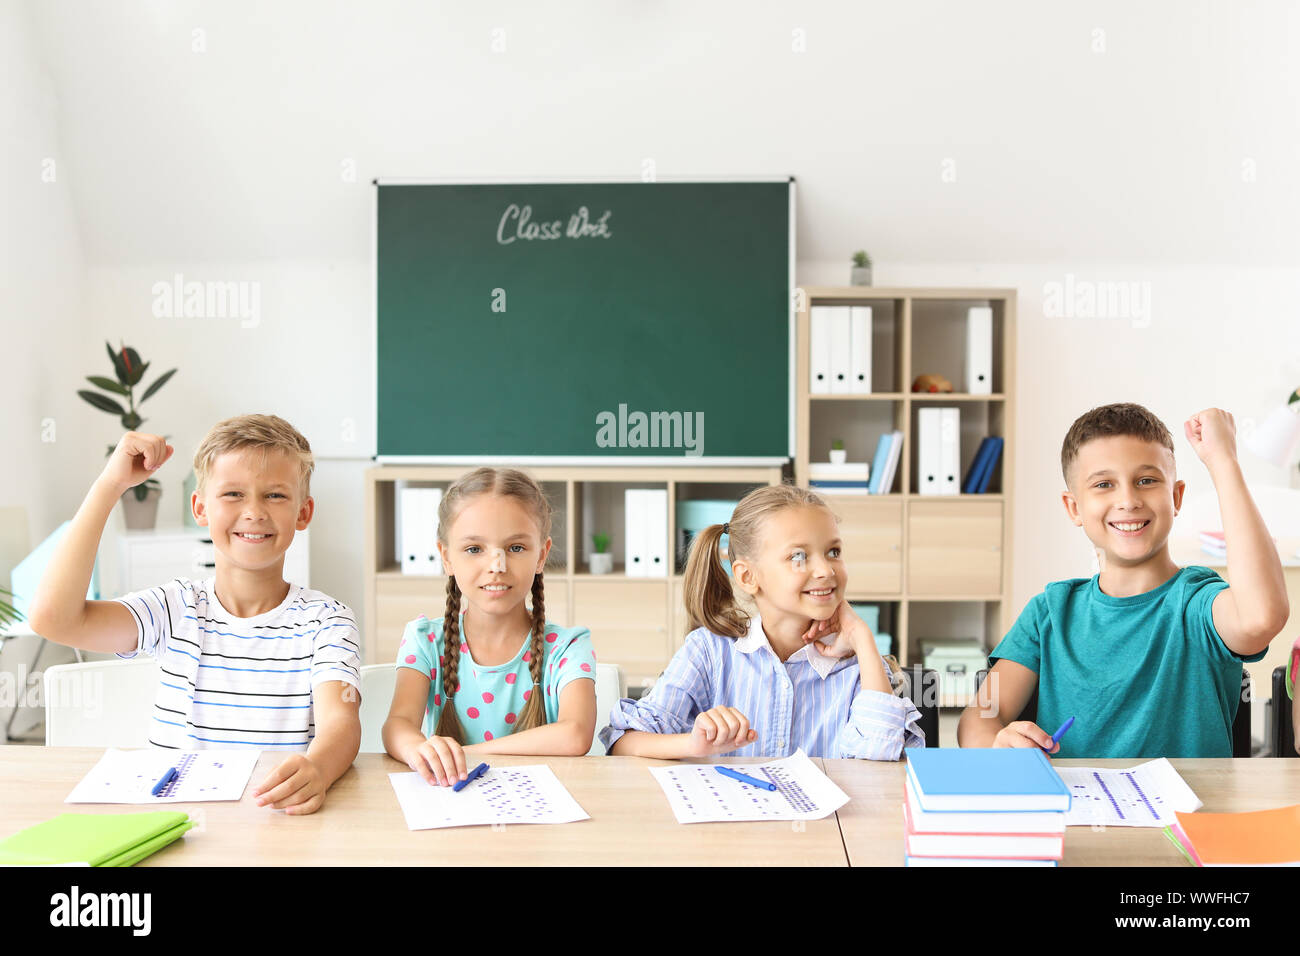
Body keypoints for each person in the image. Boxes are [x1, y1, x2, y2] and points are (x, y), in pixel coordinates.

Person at [29, 417, 362, 814]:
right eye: (233, 494)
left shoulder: (328, 621)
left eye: (275, 495)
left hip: (276, 818)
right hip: (177, 821)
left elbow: (340, 723)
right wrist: (110, 485)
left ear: (303, 513)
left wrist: (319, 768)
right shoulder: (173, 608)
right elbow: (53, 618)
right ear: (200, 508)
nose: (254, 511)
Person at [958, 404, 1289, 758]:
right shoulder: (1049, 612)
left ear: (1176, 497)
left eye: (1146, 481)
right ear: (1074, 508)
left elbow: (1261, 618)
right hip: (1074, 796)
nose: (1128, 501)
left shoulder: (1198, 603)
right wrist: (996, 742)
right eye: (1104, 484)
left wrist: (1223, 462)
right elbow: (981, 715)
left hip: (1188, 797)